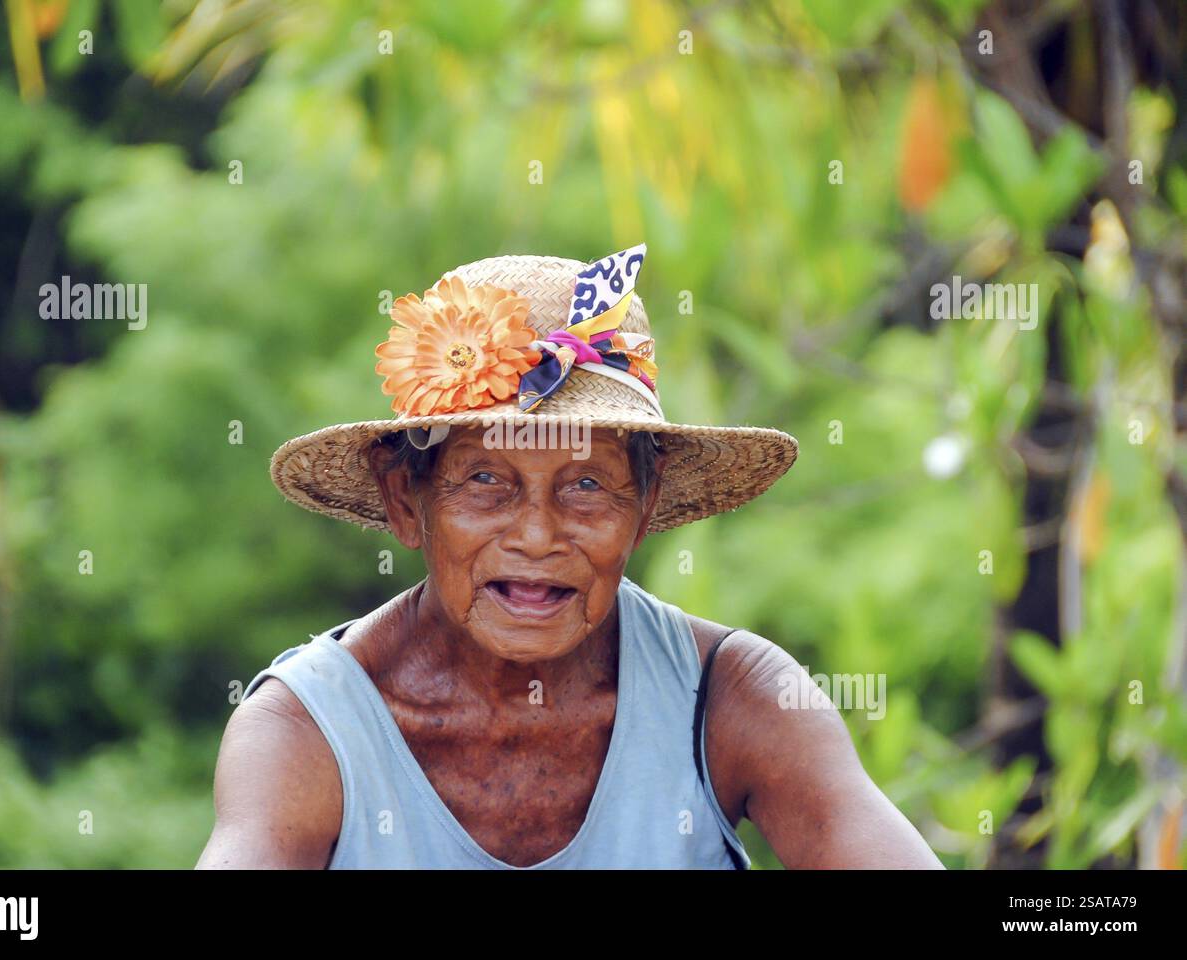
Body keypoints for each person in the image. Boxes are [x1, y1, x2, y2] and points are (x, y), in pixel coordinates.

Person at [196, 244, 943, 869]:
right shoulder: (305, 732)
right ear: (404, 500)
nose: (536, 535)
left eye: (587, 485)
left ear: (644, 510)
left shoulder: (737, 698)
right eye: (486, 480)